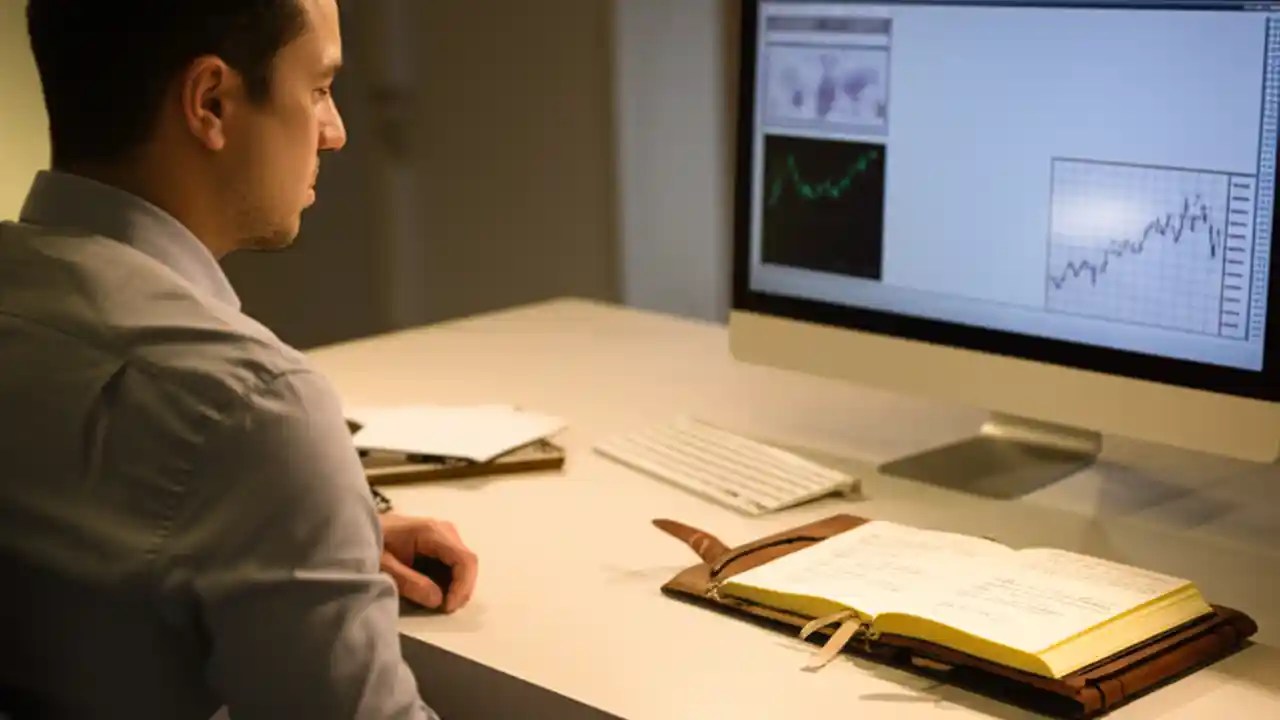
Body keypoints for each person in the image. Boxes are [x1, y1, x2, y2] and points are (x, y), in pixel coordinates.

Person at [0, 1, 477, 718]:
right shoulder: (251, 406)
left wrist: (293, 538)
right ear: (212, 102)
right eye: (317, 89)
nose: (336, 132)